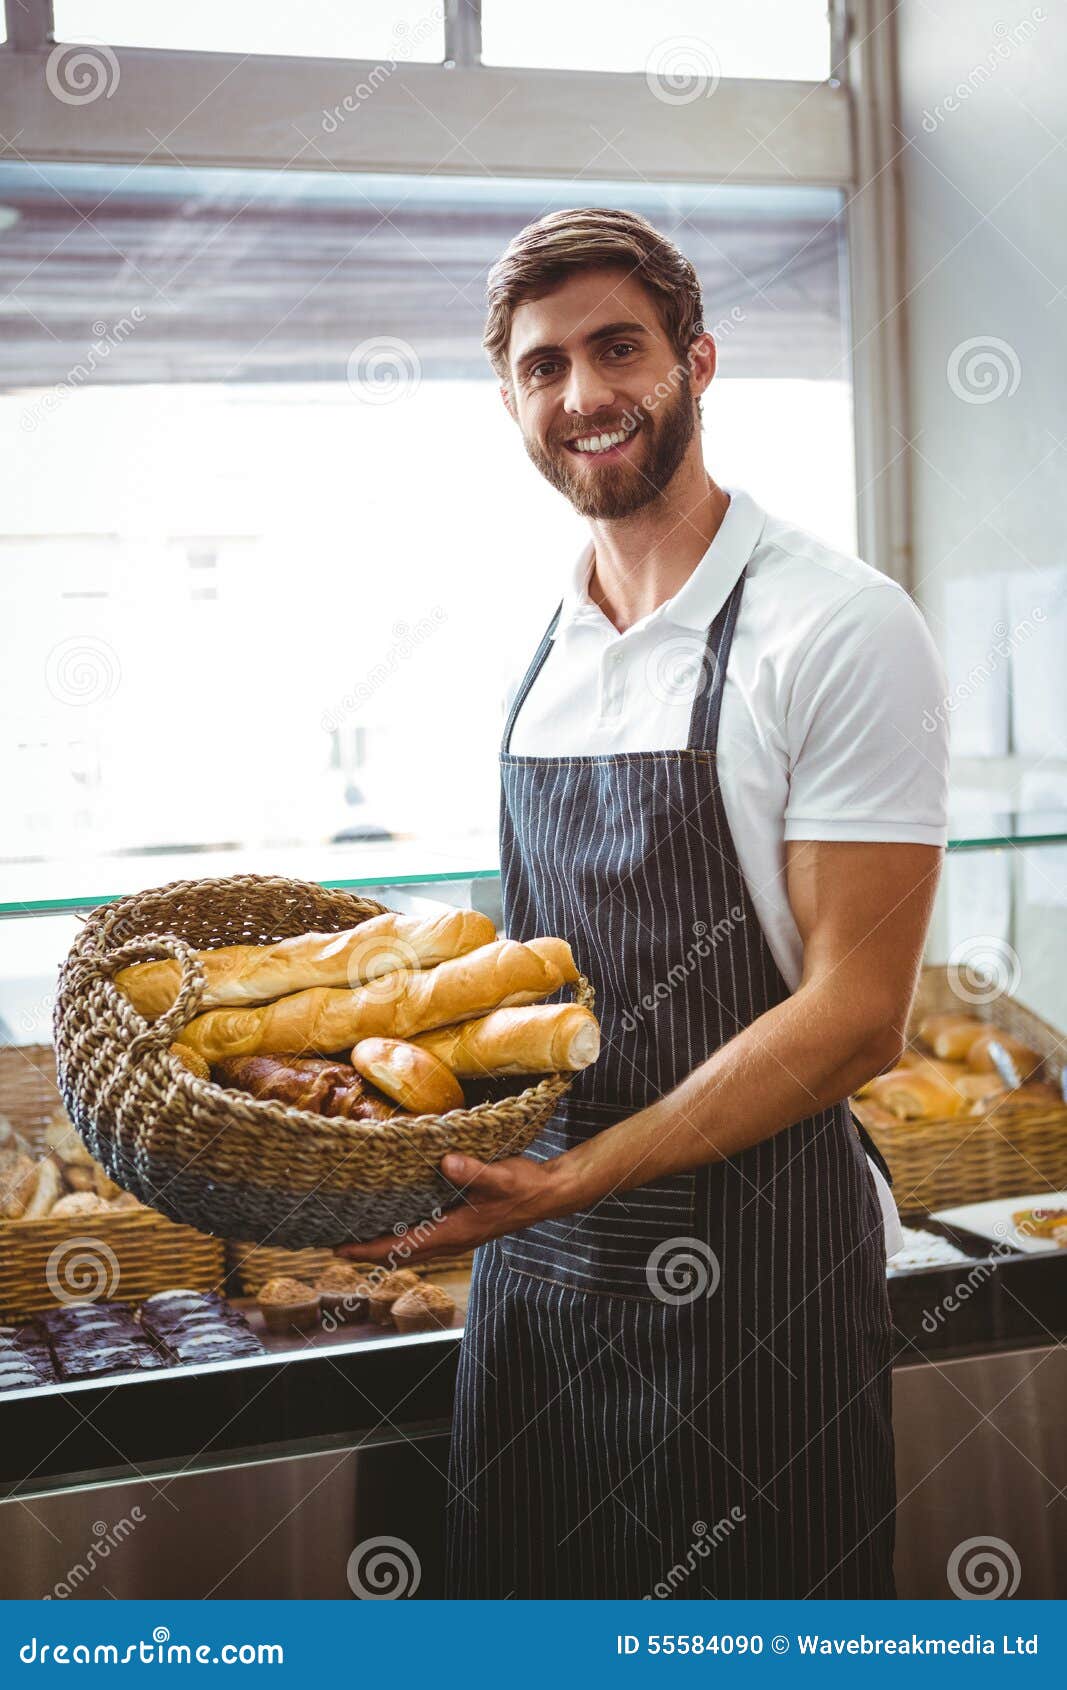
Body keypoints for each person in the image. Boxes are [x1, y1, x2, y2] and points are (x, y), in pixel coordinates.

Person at [347, 208, 949, 1599]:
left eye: (619, 350)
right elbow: (527, 989)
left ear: (698, 361)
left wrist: (579, 1173)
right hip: (536, 1287)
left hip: (755, 1285)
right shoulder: (545, 649)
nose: (583, 395)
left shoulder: (837, 626)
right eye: (543, 367)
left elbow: (860, 1018)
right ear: (513, 401)